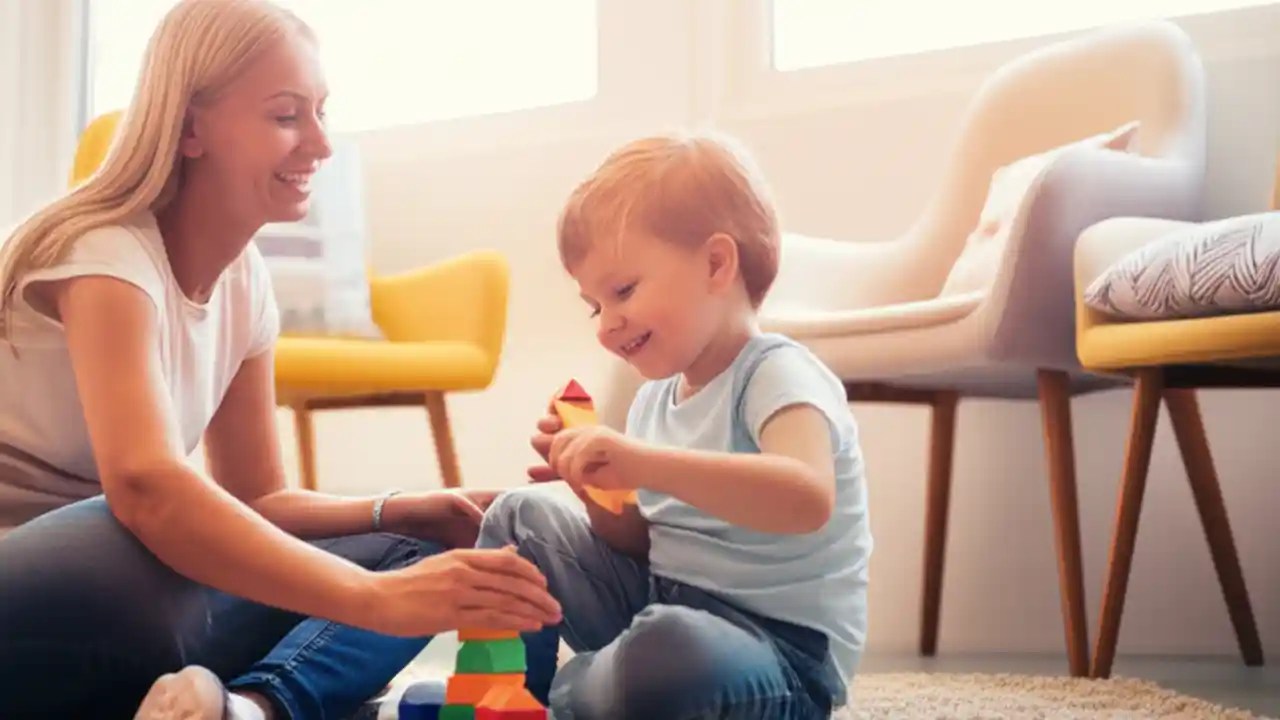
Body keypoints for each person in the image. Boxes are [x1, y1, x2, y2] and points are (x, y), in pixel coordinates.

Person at [0, 1, 560, 718]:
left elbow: (257, 498)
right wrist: (370, 598)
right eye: (287, 115)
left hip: (128, 596)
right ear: (192, 127)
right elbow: (145, 487)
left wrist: (398, 506)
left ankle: (250, 708)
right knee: (152, 524)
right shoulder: (106, 252)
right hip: (41, 579)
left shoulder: (243, 280)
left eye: (321, 111)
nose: (321, 144)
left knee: (413, 547)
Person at [477, 131, 873, 719]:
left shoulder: (776, 373)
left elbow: (806, 498)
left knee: (667, 654)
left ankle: (574, 695)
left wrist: (642, 462)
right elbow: (648, 543)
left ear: (716, 264)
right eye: (594, 305)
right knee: (517, 517)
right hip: (659, 608)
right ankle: (506, 698)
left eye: (623, 291)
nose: (606, 325)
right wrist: (600, 492)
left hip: (776, 654)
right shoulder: (653, 399)